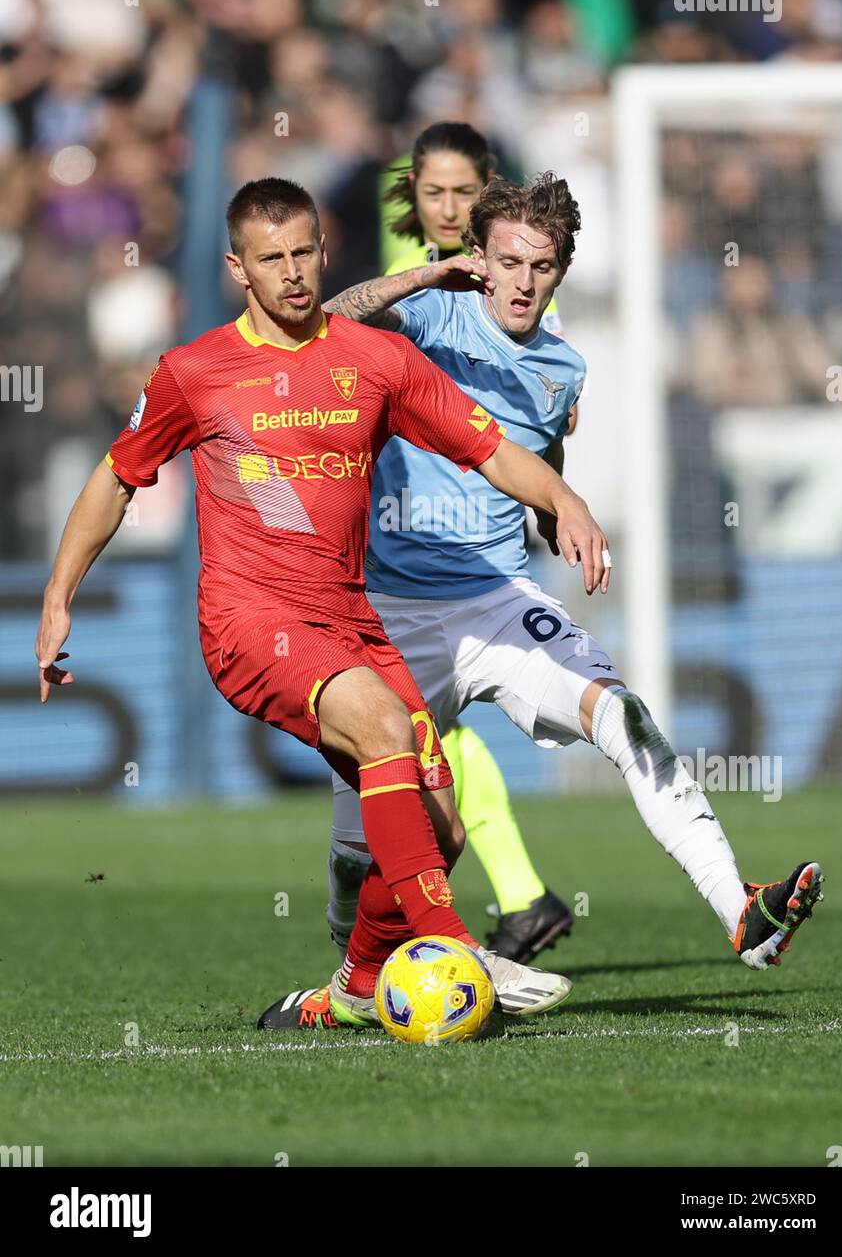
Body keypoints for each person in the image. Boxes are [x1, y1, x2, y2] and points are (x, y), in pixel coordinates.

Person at [35, 176, 620, 1026]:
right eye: (271, 259)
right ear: (239, 268)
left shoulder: (373, 359)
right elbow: (116, 479)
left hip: (350, 620)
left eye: (305, 251)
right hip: (250, 622)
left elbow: (487, 448)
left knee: (442, 830)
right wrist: (59, 597)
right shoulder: (195, 373)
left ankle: (347, 991)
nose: (294, 273)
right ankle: (459, 953)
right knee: (384, 729)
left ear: (323, 246)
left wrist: (564, 500)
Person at [259, 171, 823, 1032]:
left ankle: (740, 913)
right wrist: (418, 275)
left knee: (623, 716)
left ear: (560, 270)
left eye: (543, 265)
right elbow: (308, 325)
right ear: (478, 257)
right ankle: (352, 966)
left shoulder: (564, 368)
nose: (523, 282)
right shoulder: (423, 314)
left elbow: (540, 461)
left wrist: (557, 508)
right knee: (359, 861)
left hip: (495, 601)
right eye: (509, 261)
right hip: (387, 612)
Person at [371, 120, 571, 962]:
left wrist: (552, 503)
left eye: (463, 192)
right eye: (433, 193)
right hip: (388, 526)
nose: (449, 208)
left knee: (418, 732)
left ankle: (468, 910)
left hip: (458, 553)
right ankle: (516, 899)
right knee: (427, 733)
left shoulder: (512, 289)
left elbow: (529, 417)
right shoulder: (403, 286)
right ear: (410, 198)